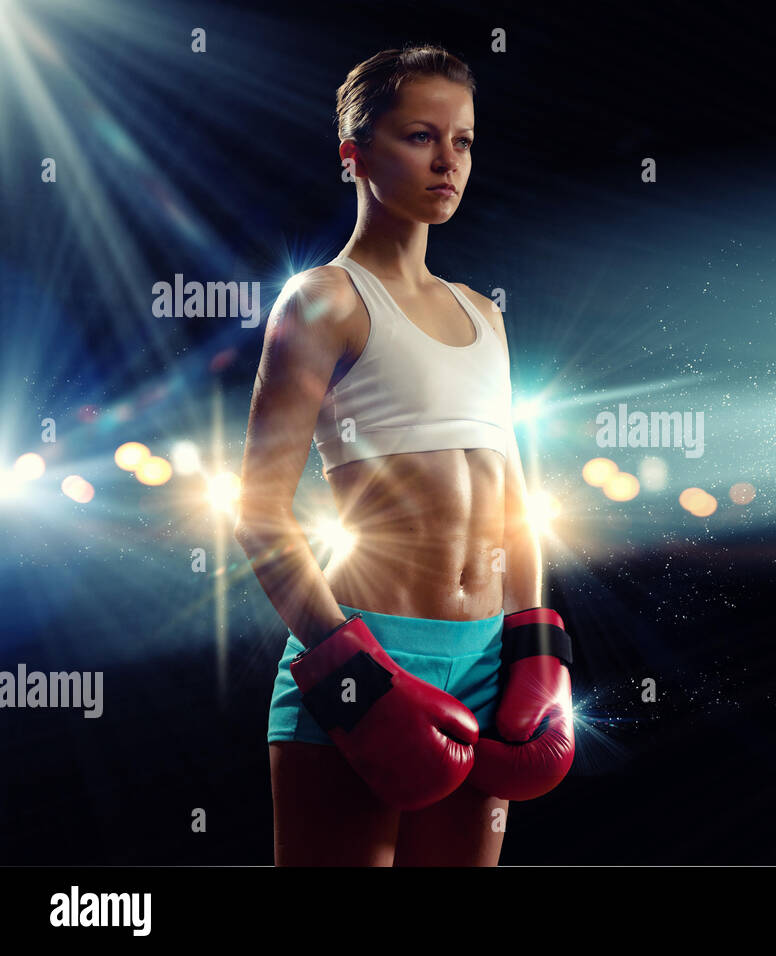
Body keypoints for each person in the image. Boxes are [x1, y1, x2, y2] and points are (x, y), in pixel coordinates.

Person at [234, 44, 573, 866]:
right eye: (421, 136)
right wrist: (355, 673)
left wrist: (537, 647)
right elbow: (258, 512)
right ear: (354, 152)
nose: (447, 160)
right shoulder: (324, 301)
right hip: (367, 655)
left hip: (490, 664)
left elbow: (516, 506)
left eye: (462, 140)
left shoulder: (483, 314)